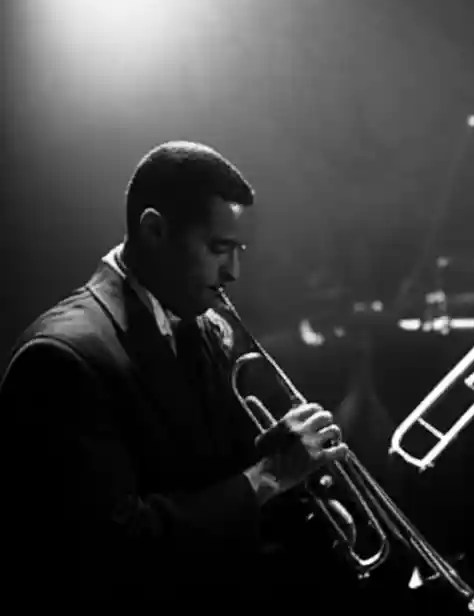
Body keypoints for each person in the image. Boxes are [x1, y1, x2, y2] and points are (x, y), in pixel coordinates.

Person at [0, 141, 352, 604]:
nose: (234, 272)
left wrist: (292, 490)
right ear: (154, 230)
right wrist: (268, 474)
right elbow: (112, 547)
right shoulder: (58, 357)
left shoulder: (208, 329)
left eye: (238, 249)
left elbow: (206, 481)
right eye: (218, 248)